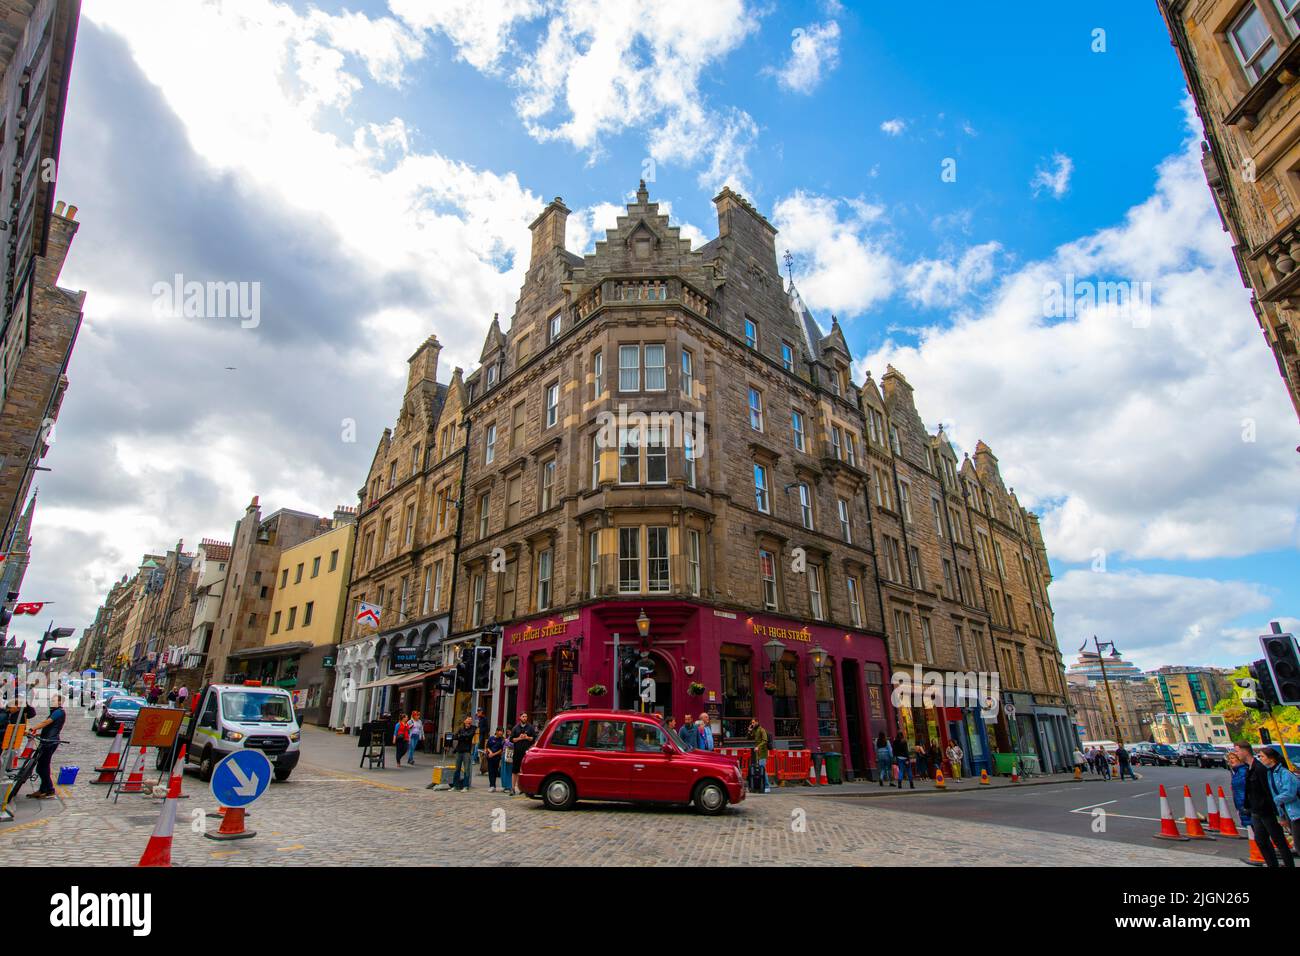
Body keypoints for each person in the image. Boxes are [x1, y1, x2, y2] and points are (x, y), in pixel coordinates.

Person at [1237, 741, 1293, 867]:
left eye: (1237, 750)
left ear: (1245, 751)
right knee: (1261, 841)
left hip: (1267, 811)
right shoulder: (1249, 768)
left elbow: (1270, 792)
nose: (1236, 754)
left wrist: (1279, 814)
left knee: (1279, 840)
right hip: (1256, 811)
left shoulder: (1260, 768)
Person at [24, 694, 66, 799]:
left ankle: (50, 789)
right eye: (51, 700)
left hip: (50, 742)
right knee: (42, 766)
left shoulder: (59, 712)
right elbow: (52, 727)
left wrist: (32, 728)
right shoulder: (55, 711)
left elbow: (47, 722)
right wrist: (38, 734)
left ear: (60, 703)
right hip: (47, 740)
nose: (51, 702)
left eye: (54, 700)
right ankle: (44, 790)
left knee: (42, 767)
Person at [1259, 746, 1300, 852]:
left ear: (1271, 759)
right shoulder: (1271, 773)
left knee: (1299, 844)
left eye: (1262, 756)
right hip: (1289, 813)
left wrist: (1274, 800)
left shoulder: (1285, 773)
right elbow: (1276, 793)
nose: (1260, 759)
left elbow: (1290, 793)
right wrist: (1282, 816)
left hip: (1297, 812)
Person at [508, 712, 538, 796]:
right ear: (520, 717)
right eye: (523, 716)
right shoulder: (515, 728)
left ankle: (523, 788)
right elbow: (511, 739)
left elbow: (533, 739)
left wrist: (527, 737)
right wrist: (519, 738)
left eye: (526, 716)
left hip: (527, 753)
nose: (525, 718)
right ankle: (513, 788)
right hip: (517, 752)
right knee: (515, 770)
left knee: (524, 770)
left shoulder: (530, 727)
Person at [1227, 750, 1251, 834]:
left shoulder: (1243, 771)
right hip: (1241, 805)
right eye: (1229, 759)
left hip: (1247, 805)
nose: (1230, 760)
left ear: (1239, 759)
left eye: (1233, 758)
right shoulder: (1236, 773)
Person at [451, 717, 476, 791]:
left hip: (467, 751)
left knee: (466, 769)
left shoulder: (473, 728)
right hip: (459, 750)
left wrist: (461, 736)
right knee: (457, 769)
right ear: (464, 721)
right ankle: (455, 786)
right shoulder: (460, 728)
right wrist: (463, 736)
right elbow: (455, 736)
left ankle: (465, 786)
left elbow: (469, 736)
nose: (469, 721)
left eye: (470, 720)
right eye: (468, 720)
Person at [748, 719, 771, 793]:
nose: (752, 724)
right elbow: (749, 738)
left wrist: (758, 747)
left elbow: (765, 740)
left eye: (753, 722)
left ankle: (767, 786)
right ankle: (763, 786)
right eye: (751, 722)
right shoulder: (755, 730)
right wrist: (749, 730)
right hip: (758, 753)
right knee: (761, 769)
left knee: (762, 769)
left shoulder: (762, 730)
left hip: (763, 752)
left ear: (757, 722)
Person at [485, 727, 505, 792]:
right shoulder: (491, 738)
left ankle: (493, 785)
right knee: (490, 771)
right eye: (499, 731)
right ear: (496, 731)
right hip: (490, 757)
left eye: (502, 731)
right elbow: (487, 746)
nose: (500, 733)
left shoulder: (502, 740)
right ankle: (492, 786)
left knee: (495, 771)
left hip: (496, 758)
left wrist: (494, 754)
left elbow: (501, 750)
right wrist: (490, 752)